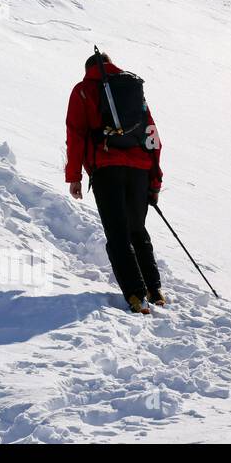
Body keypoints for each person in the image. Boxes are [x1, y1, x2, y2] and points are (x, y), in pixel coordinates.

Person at [65, 50, 165, 312]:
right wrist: (154, 181)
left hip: (106, 169)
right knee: (137, 229)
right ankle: (155, 291)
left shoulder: (83, 90)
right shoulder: (132, 88)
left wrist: (74, 176)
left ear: (88, 68)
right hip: (140, 172)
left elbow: (75, 135)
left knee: (118, 234)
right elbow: (152, 135)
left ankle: (135, 295)